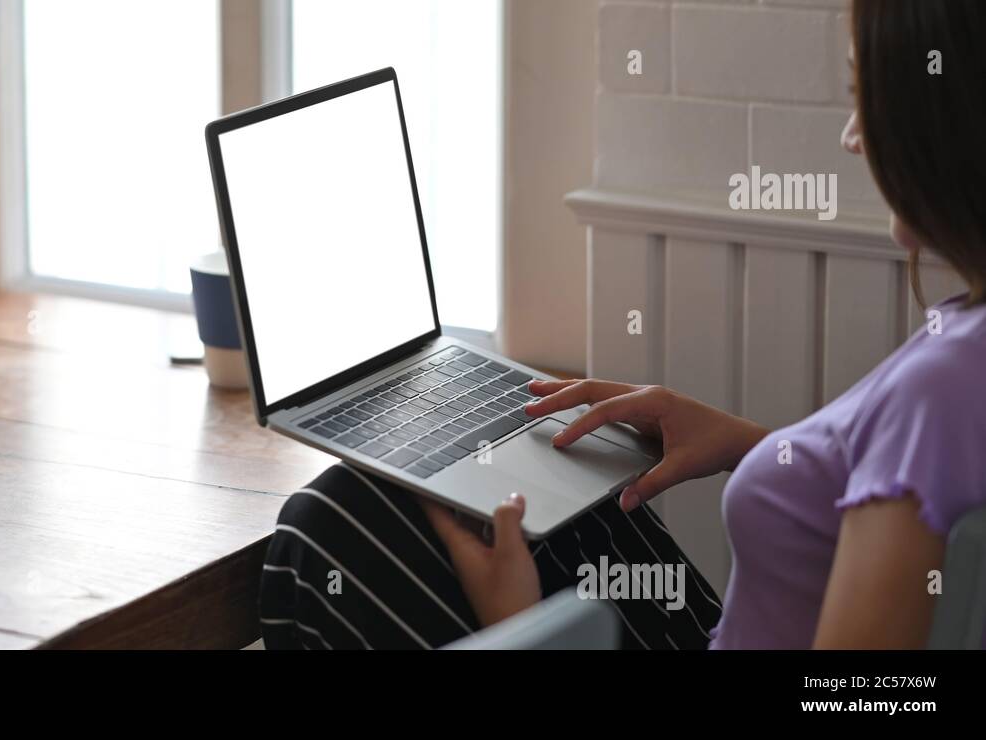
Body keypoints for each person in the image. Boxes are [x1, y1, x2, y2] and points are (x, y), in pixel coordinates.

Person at [259, 0, 986, 649]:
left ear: (940, 112)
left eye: (864, 96)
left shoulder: (933, 394)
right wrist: (758, 447)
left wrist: (526, 632)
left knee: (323, 527)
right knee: (545, 479)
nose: (854, 137)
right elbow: (894, 486)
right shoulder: (964, 348)